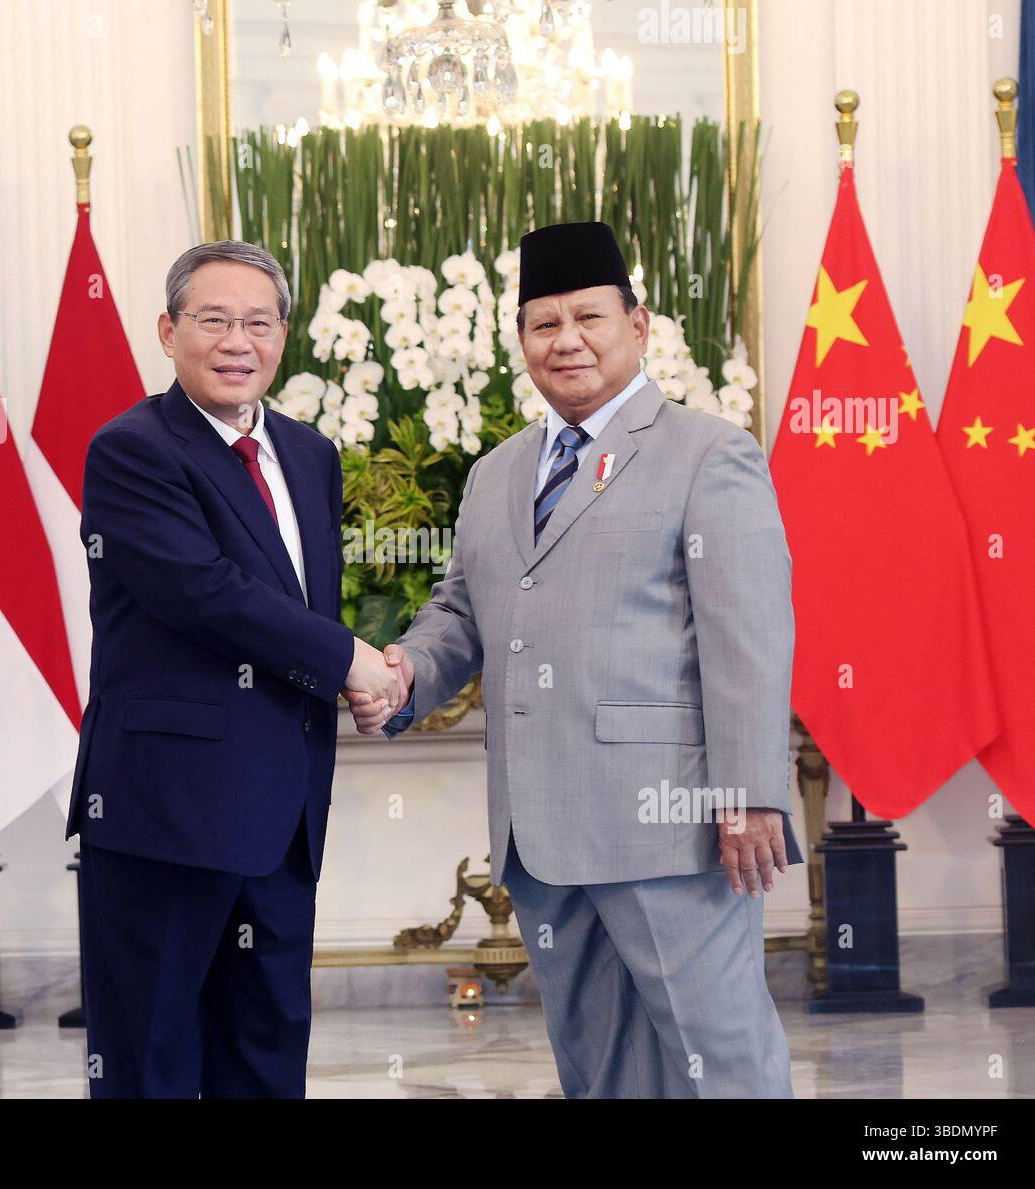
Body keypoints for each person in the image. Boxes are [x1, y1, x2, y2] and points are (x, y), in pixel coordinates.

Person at [349, 221, 802, 1098]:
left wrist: (749, 792)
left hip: (674, 825)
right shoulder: (496, 475)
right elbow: (462, 613)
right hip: (541, 832)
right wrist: (404, 672)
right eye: (544, 324)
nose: (568, 340)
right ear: (521, 342)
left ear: (640, 324)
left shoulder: (710, 454)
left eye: (588, 317)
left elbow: (747, 637)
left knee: (724, 1061)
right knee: (601, 1071)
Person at [65, 240, 407, 1098]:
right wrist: (348, 661)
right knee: (154, 1058)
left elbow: (300, 609)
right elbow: (204, 592)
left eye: (257, 322)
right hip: (165, 810)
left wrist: (352, 675)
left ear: (283, 337)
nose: (235, 341)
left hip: (282, 816)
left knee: (266, 1051)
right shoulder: (132, 449)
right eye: (212, 320)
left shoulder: (310, 454)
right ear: (167, 331)